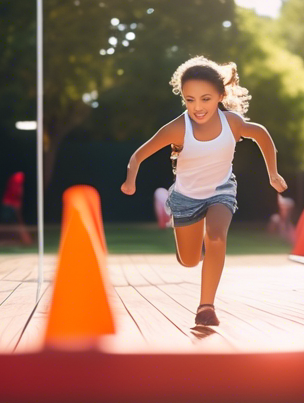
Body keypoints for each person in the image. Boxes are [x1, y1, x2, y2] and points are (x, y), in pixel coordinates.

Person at [121, 56, 287, 326]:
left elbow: (261, 134)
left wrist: (273, 173)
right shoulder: (177, 128)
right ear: (184, 99)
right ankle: (190, 248)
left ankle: (206, 307)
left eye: (206, 99)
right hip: (186, 198)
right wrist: (131, 180)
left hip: (221, 191)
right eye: (190, 100)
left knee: (216, 237)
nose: (197, 107)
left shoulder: (232, 123)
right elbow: (138, 156)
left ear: (221, 95)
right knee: (189, 261)